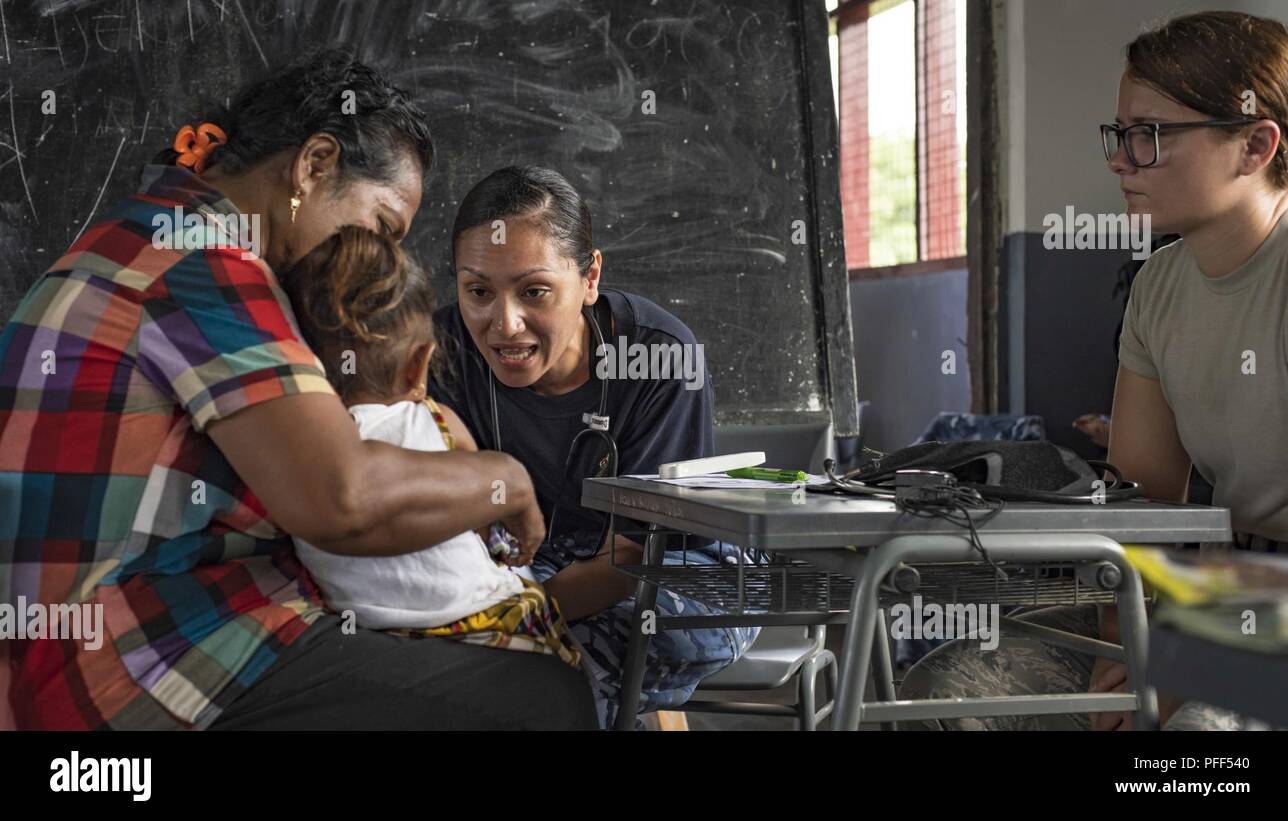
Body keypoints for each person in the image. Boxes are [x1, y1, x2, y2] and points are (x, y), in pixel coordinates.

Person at [0, 48, 595, 730]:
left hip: (82, 655)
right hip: (137, 667)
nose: (376, 260)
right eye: (381, 227)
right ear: (312, 166)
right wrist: (507, 481)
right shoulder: (206, 263)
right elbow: (341, 499)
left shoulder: (147, 234)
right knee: (540, 697)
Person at [900, 10, 1288, 730]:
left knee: (1198, 731)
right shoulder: (1159, 287)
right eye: (1120, 134)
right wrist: (1127, 632)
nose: (1120, 160)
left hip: (1269, 617)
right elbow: (1137, 509)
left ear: (1254, 145)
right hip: (1217, 593)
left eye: (1151, 137)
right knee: (949, 689)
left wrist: (1192, 654)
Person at [431, 165, 760, 728]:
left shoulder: (660, 357)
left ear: (589, 279)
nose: (504, 325)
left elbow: (629, 556)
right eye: (478, 292)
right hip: (527, 574)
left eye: (534, 291)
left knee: (557, 664)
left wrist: (504, 621)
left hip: (681, 569)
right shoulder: (440, 353)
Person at [283, 226, 581, 670]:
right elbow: (485, 517)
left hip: (369, 638)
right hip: (489, 631)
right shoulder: (438, 421)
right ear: (420, 364)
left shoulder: (292, 443)